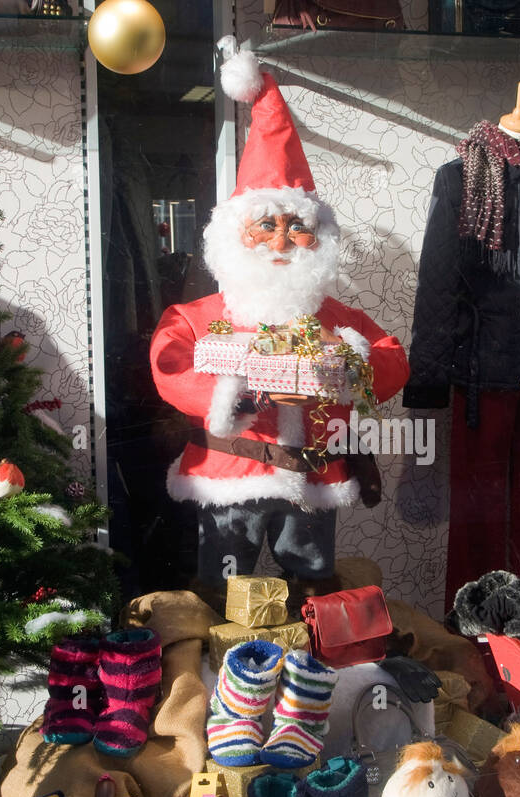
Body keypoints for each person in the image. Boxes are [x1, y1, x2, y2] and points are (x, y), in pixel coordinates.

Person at [150, 39, 409, 589]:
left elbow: (392, 360)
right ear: (234, 237)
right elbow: (170, 368)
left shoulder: (338, 318)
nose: (281, 240)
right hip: (228, 473)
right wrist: (234, 392)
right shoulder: (195, 314)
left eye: (296, 226)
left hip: (313, 475)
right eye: (264, 226)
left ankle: (314, 668)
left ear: (318, 239)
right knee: (222, 592)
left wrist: (343, 368)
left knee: (313, 586)